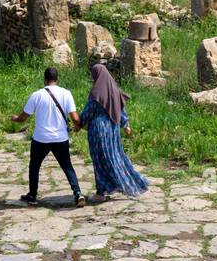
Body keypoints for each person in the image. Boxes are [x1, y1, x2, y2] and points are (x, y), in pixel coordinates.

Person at [11, 66, 85, 207]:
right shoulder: (66, 93)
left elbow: (23, 117)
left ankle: (32, 195)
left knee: (34, 166)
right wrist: (79, 126)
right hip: (60, 138)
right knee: (67, 166)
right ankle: (77, 193)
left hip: (41, 138)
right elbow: (75, 118)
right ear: (57, 80)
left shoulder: (37, 95)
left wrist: (15, 119)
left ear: (44, 80)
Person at [79, 62, 149, 203]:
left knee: (100, 160)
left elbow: (87, 113)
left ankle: (101, 192)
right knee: (115, 156)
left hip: (99, 131)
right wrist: (126, 125)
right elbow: (121, 110)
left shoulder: (96, 93)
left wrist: (78, 124)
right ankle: (134, 182)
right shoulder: (114, 90)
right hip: (113, 129)